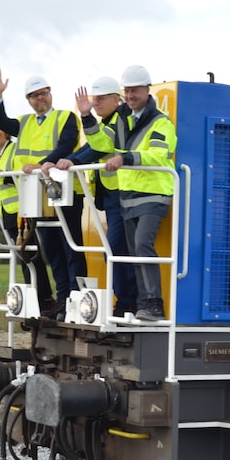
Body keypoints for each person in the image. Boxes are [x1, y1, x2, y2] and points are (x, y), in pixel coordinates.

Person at [0, 68, 86, 319]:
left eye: (43, 93)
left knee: (71, 249)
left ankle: (75, 301)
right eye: (34, 96)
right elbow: (2, 123)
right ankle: (62, 302)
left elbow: (66, 144)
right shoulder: (23, 122)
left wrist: (43, 163)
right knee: (53, 252)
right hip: (37, 198)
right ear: (28, 100)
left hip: (64, 193)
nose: (39, 98)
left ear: (50, 94)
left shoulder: (66, 117)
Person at [44, 76, 138, 317]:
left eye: (101, 98)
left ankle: (128, 302)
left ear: (116, 99)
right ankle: (125, 301)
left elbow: (100, 147)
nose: (96, 103)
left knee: (116, 248)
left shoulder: (120, 120)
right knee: (116, 248)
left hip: (122, 195)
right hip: (111, 196)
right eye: (94, 99)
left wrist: (71, 160)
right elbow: (90, 146)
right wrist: (66, 160)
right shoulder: (108, 121)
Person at [105, 65, 176, 321]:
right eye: (127, 91)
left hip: (153, 194)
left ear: (147, 90)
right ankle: (141, 303)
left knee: (142, 244)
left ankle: (154, 304)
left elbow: (157, 155)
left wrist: (126, 157)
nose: (130, 95)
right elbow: (101, 144)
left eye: (135, 90)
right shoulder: (122, 120)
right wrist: (87, 118)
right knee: (135, 250)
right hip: (129, 196)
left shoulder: (161, 122)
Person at [0, 111, 54, 314]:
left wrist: (1, 175)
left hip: (22, 212)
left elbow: (23, 178)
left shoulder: (14, 150)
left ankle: (43, 299)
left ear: (6, 131)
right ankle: (36, 299)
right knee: (24, 257)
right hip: (8, 214)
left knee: (30, 256)